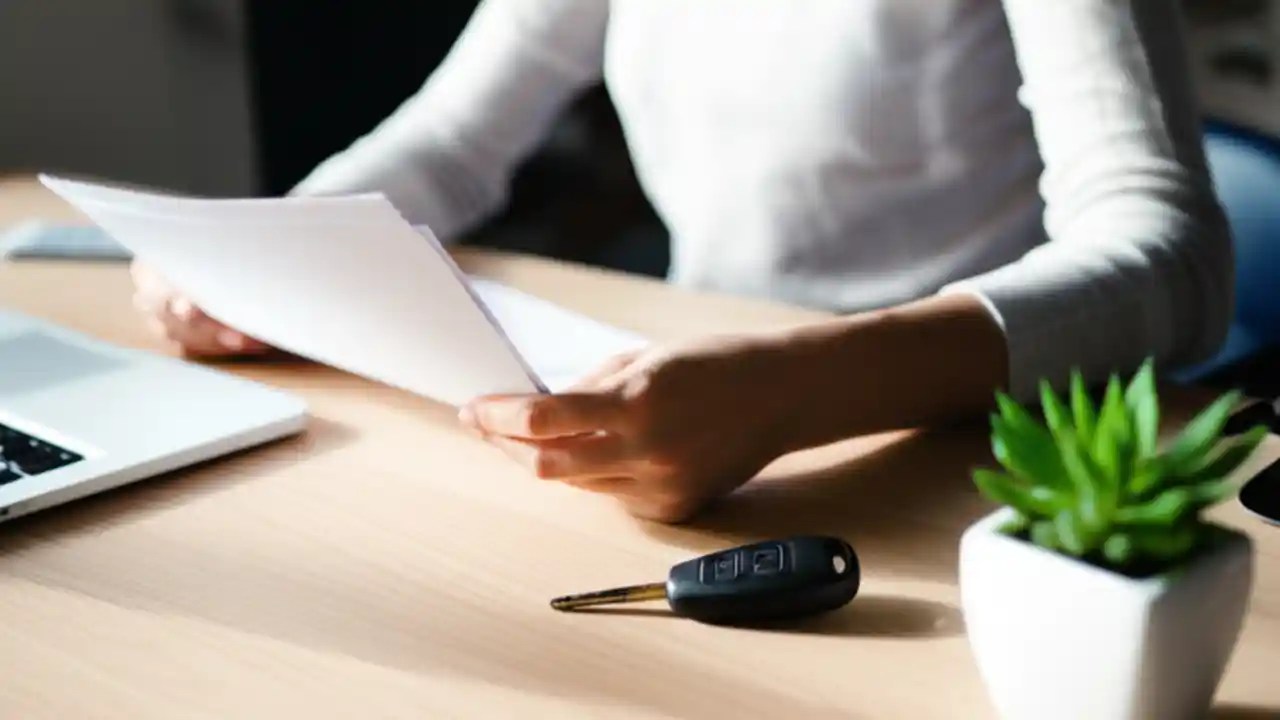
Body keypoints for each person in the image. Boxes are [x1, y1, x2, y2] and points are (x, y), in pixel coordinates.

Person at [132, 0, 1233, 522]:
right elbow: (454, 142)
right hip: (704, 421)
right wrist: (267, 253)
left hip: (975, 459)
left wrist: (792, 388)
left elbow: (1169, 259)